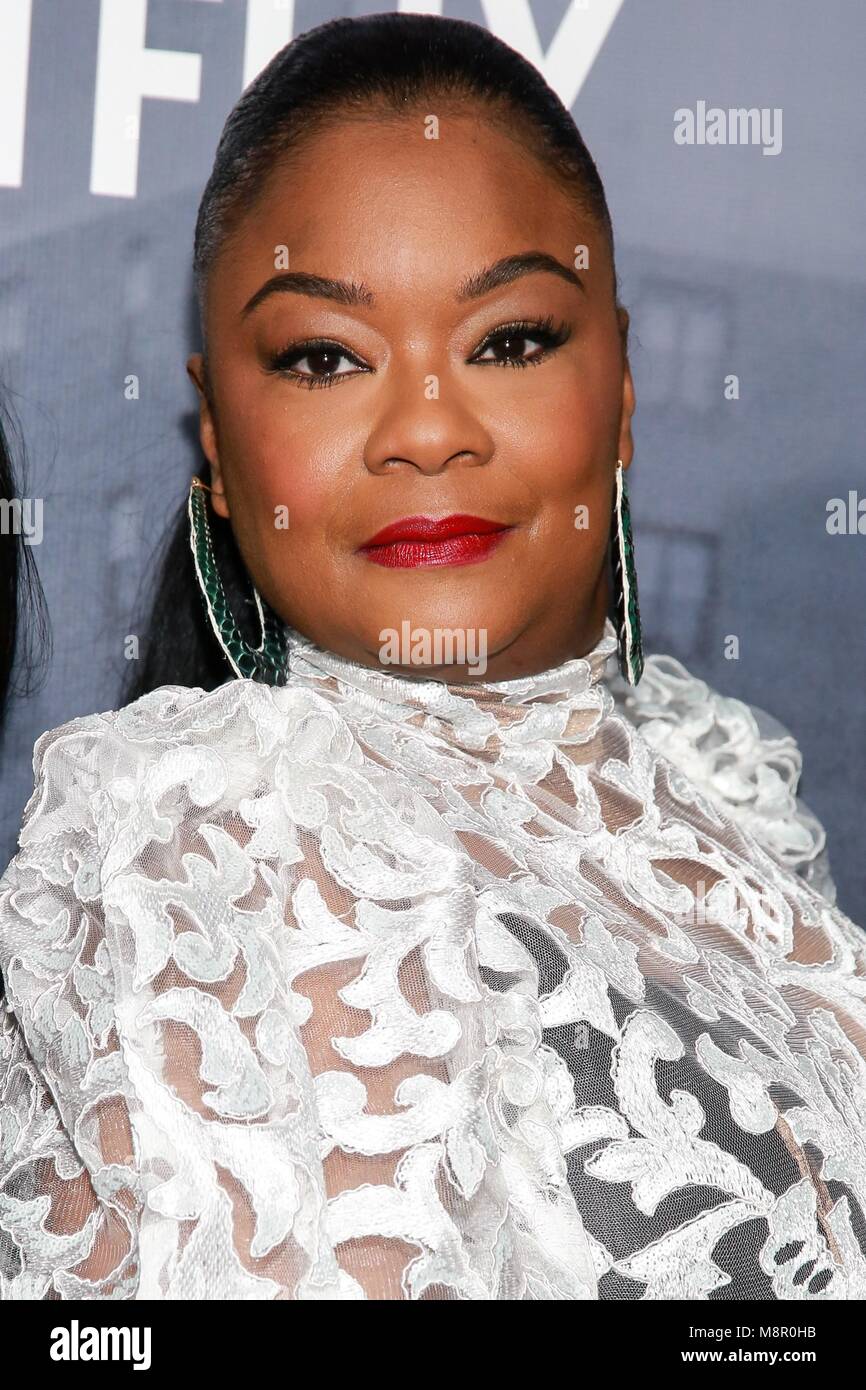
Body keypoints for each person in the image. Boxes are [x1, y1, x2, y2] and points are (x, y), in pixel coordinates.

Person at [0, 12, 863, 1302]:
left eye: (507, 340)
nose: (425, 427)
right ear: (221, 453)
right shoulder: (221, 840)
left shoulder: (719, 790)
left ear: (621, 389)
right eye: (325, 357)